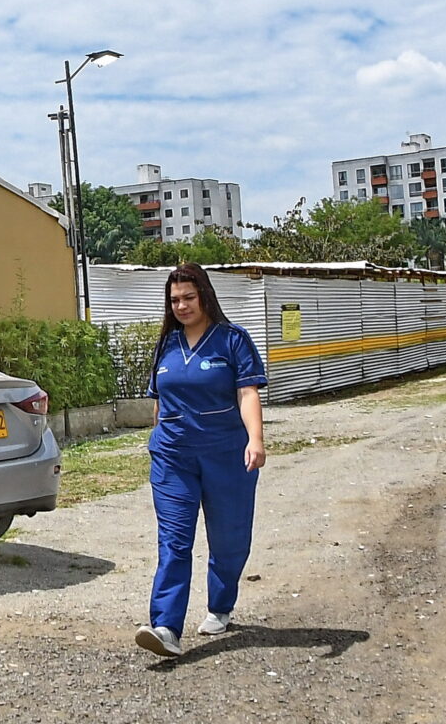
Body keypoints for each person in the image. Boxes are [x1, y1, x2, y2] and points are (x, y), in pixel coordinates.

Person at [135, 263, 267, 658]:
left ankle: (221, 605)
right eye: (174, 300)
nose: (181, 305)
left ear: (204, 295)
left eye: (188, 297)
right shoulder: (167, 345)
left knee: (229, 540)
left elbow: (247, 394)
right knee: (174, 542)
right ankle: (165, 627)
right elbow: (159, 402)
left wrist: (256, 440)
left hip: (227, 455)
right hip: (173, 458)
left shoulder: (232, 341)